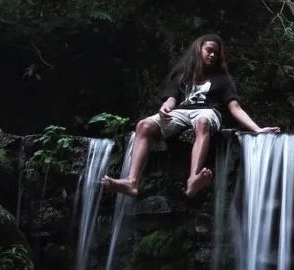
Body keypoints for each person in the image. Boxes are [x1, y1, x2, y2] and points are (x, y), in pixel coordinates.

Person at [102, 34, 280, 199]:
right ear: (199, 50)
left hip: (208, 112)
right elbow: (171, 100)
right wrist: (165, 108)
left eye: (216, 54)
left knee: (202, 122)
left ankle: (193, 179)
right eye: (209, 50)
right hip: (181, 111)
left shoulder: (222, 79)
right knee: (143, 125)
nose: (212, 55)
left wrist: (258, 129)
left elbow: (235, 108)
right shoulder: (182, 75)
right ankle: (132, 182)